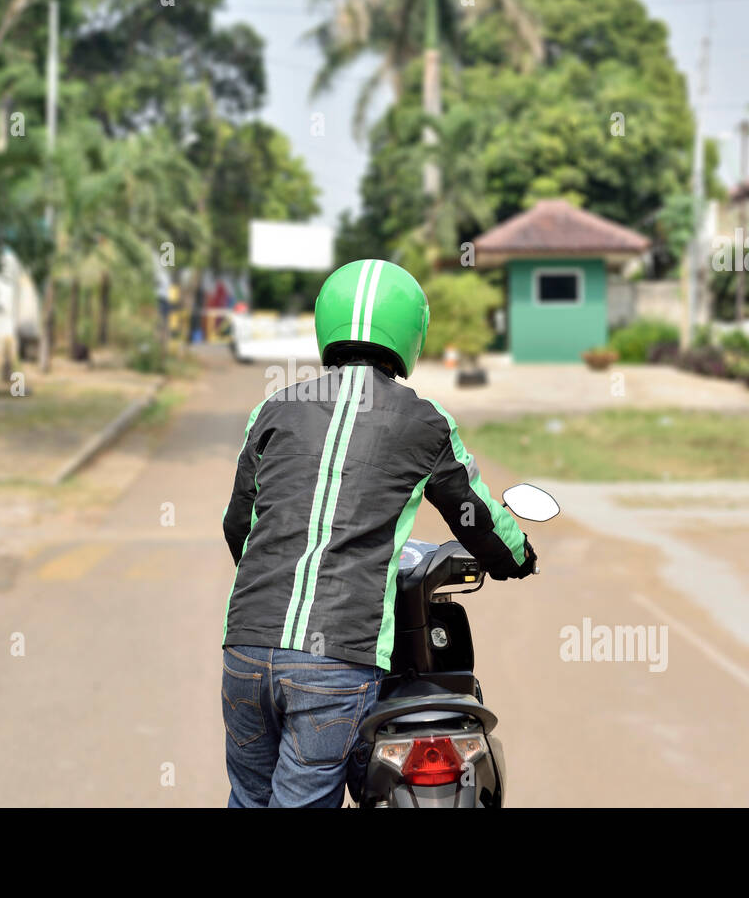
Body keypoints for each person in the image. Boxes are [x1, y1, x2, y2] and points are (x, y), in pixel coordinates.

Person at [220, 258, 537, 808]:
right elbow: (475, 515)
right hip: (336, 661)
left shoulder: (272, 409)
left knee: (249, 799)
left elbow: (239, 527)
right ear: (410, 331)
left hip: (247, 649)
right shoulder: (424, 419)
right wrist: (518, 556)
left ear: (328, 324)